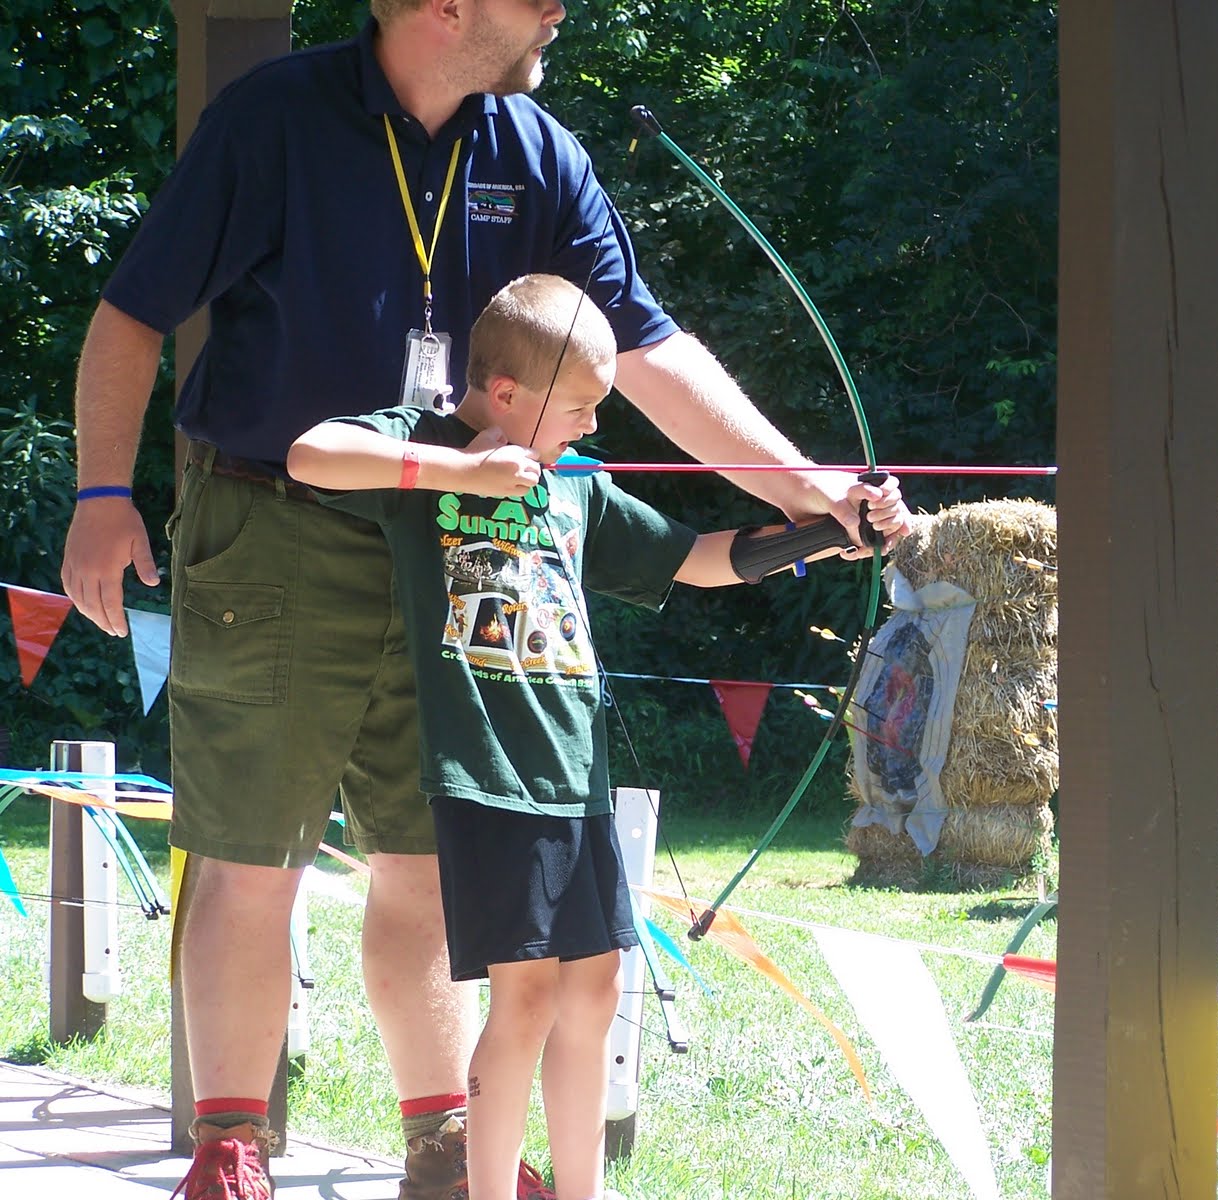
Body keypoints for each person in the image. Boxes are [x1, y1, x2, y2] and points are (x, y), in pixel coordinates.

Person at [57, 1, 910, 1197]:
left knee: (423, 856)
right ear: (446, 7)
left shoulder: (539, 147)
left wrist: (807, 485)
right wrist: (103, 491)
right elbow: (132, 312)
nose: (560, 8)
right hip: (272, 526)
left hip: (459, 545)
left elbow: (644, 350)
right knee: (254, 855)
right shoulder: (275, 117)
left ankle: (446, 1142)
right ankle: (231, 1145)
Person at [285, 273, 907, 1200]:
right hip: (490, 777)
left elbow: (697, 560)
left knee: (595, 992)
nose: (590, 426)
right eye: (577, 407)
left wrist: (824, 532)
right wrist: (463, 470)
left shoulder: (576, 486)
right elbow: (309, 454)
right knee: (525, 995)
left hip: (577, 779)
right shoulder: (424, 451)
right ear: (506, 396)